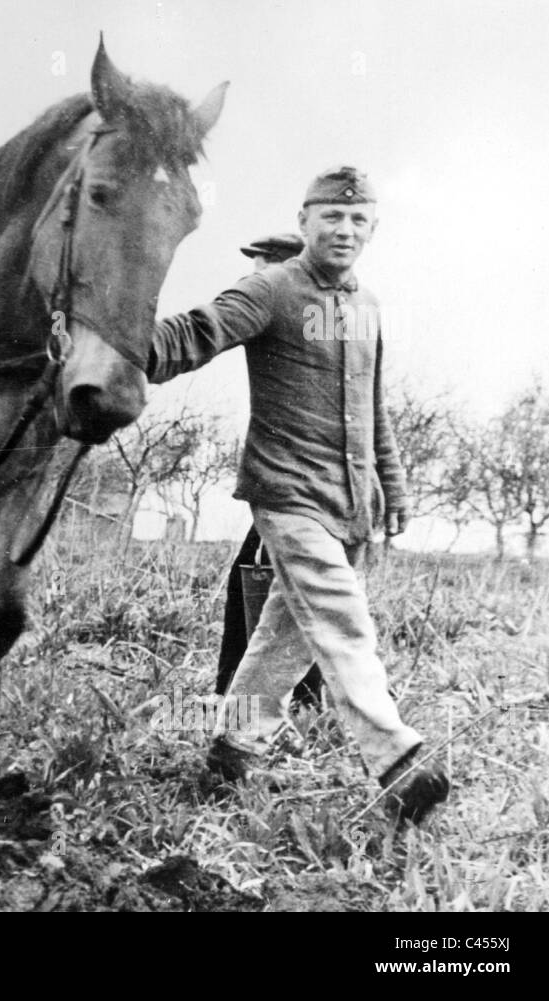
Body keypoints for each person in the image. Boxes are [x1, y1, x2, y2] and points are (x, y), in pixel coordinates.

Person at [148, 167, 449, 823]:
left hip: (351, 500)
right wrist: (116, 343)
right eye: (331, 218)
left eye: (357, 219)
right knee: (341, 619)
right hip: (287, 492)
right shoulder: (273, 288)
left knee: (287, 633)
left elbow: (374, 409)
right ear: (305, 221)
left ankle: (232, 746)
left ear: (372, 229)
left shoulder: (367, 305)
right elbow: (194, 332)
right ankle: (397, 758)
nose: (344, 229)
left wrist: (391, 486)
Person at [214, 232, 324, 709]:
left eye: (261, 269)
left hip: (296, 485)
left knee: (277, 589)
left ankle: (272, 704)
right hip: (293, 481)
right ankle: (288, 700)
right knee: (269, 585)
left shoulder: (299, 316)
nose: (252, 280)